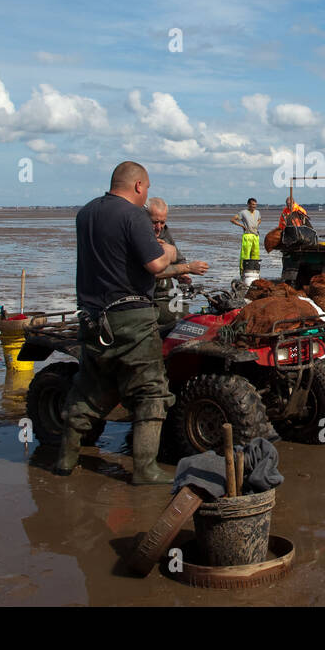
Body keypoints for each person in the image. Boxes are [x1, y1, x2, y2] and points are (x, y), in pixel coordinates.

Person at [58, 162, 177, 483]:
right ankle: (145, 469)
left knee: (90, 390)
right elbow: (153, 263)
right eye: (148, 188)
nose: (147, 194)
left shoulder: (85, 214)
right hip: (131, 318)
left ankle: (65, 459)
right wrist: (169, 252)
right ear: (139, 186)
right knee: (151, 392)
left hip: (92, 317)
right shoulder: (134, 215)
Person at [147, 197, 208, 331]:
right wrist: (188, 268)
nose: (158, 227)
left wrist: (183, 275)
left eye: (162, 222)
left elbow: (178, 259)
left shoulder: (164, 232)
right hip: (146, 297)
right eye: (154, 222)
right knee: (180, 317)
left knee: (185, 312)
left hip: (165, 293)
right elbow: (155, 271)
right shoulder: (139, 237)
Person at [229, 197, 261, 271]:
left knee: (256, 255)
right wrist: (242, 226)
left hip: (256, 236)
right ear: (248, 204)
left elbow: (259, 219)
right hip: (247, 236)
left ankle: (254, 271)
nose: (254, 206)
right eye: (252, 204)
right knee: (245, 255)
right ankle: (243, 271)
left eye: (255, 205)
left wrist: (257, 224)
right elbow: (232, 220)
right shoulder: (243, 212)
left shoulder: (257, 212)